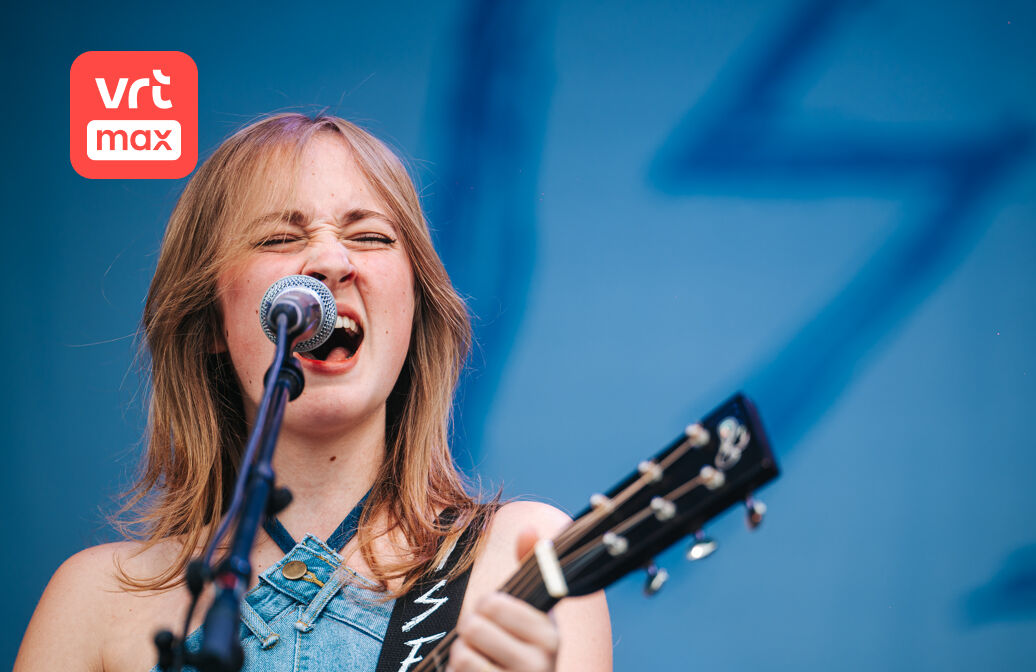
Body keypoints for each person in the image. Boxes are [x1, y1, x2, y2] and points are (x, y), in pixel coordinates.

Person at [15, 113, 612, 672]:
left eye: (370, 236)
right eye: (278, 238)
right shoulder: (96, 601)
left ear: (412, 309)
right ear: (212, 321)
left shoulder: (520, 562)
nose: (329, 260)